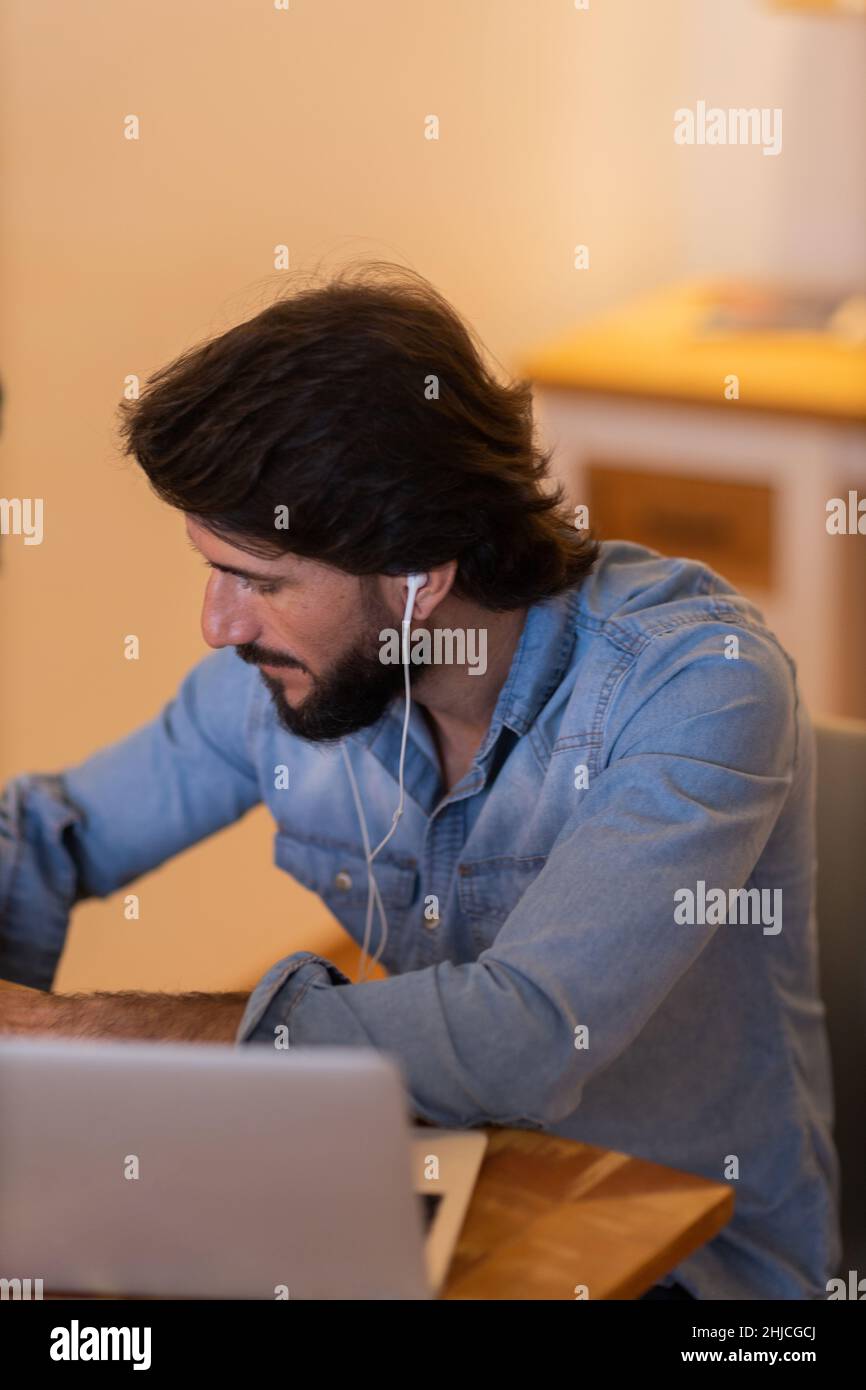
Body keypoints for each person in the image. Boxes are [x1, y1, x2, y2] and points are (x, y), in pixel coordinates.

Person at [0, 263, 840, 1299]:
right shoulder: (283, 678)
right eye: (213, 571)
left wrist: (69, 1032)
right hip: (441, 1194)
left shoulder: (693, 688)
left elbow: (524, 1032)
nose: (217, 626)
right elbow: (48, 830)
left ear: (416, 577)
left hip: (688, 1270)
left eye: (257, 581)